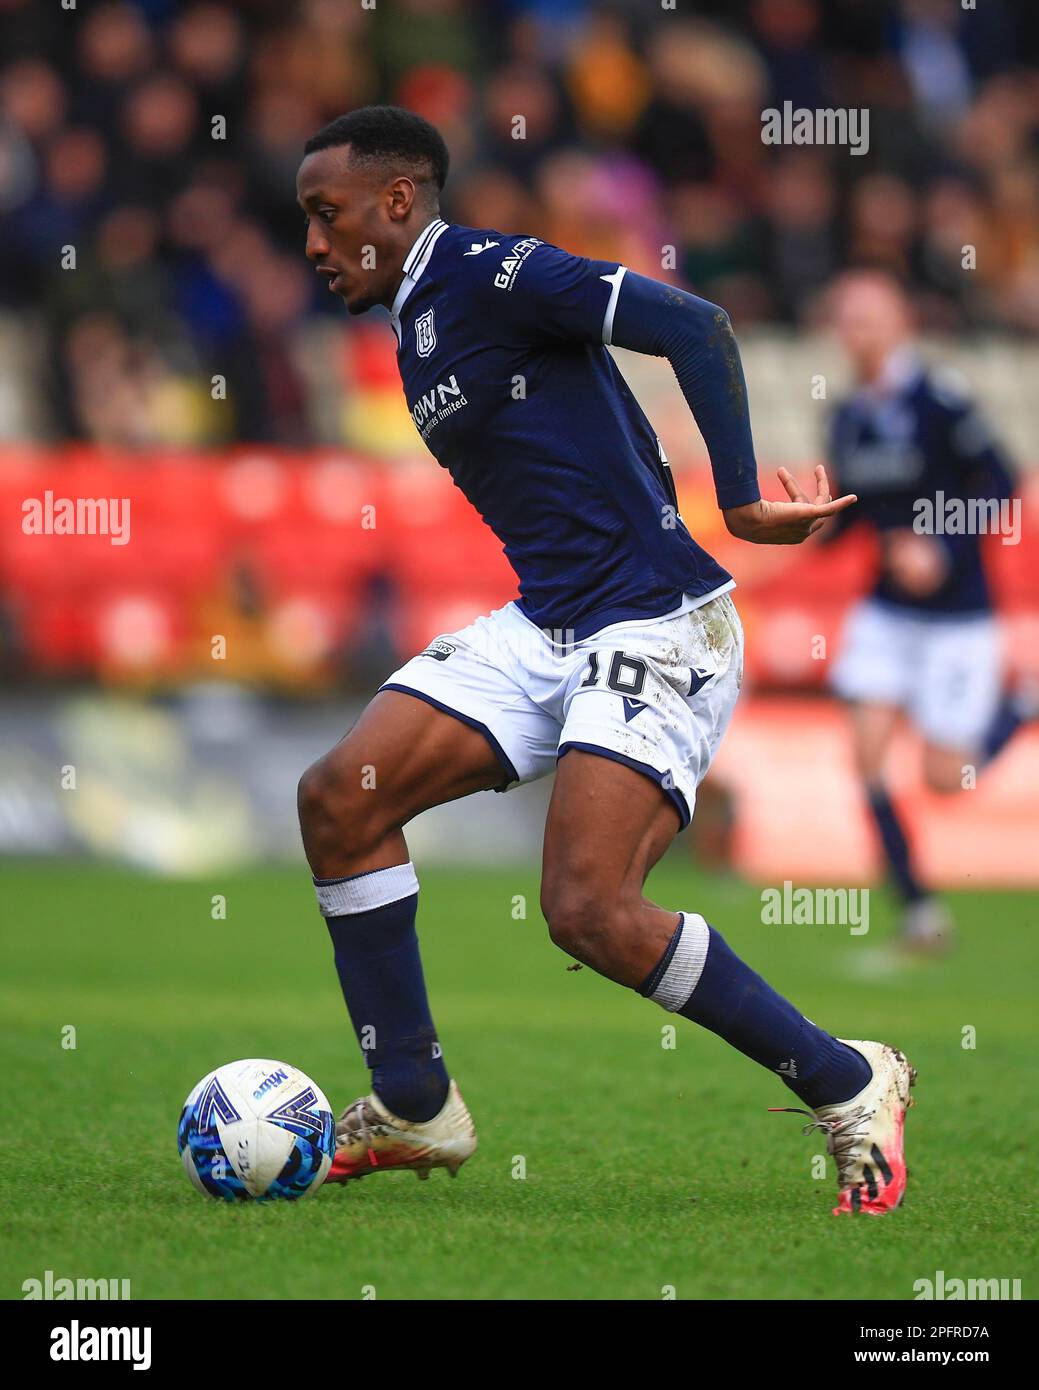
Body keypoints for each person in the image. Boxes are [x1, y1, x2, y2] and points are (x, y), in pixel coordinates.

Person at [295, 106, 915, 1214]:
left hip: (657, 617)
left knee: (587, 908)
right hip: (551, 623)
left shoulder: (490, 272)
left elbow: (694, 323)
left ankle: (849, 1077)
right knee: (342, 797)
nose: (313, 243)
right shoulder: (414, 323)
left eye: (326, 214)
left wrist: (736, 498)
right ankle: (413, 1101)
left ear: (397, 201)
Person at [825, 270, 1022, 954]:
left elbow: (1000, 479)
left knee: (944, 780)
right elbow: (851, 516)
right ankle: (918, 911)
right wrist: (798, 527)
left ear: (900, 321)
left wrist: (940, 543)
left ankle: (1020, 707)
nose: (856, 333)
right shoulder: (846, 417)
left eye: (868, 318)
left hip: (957, 615)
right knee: (867, 759)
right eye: (846, 320)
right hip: (886, 614)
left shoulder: (939, 399)